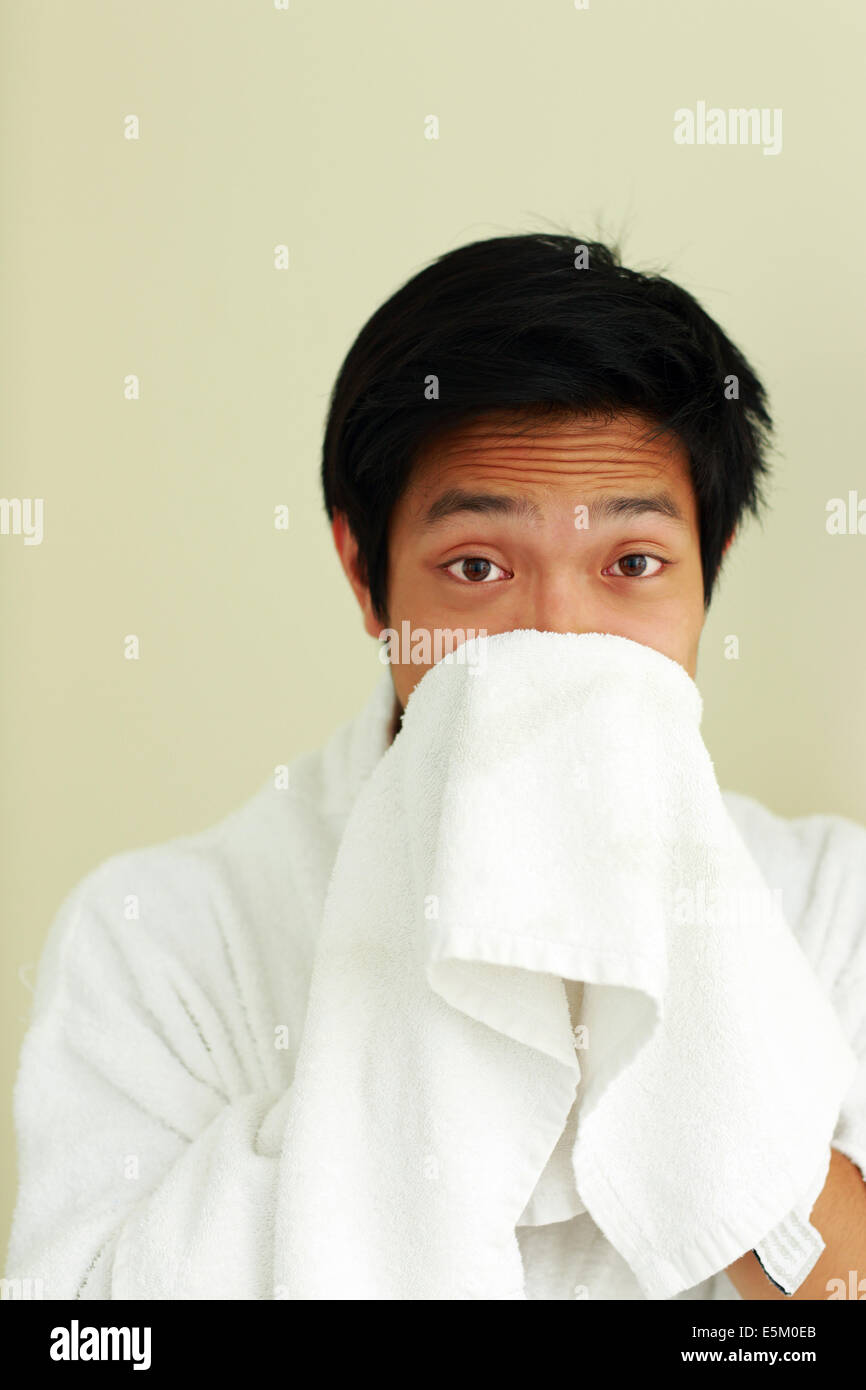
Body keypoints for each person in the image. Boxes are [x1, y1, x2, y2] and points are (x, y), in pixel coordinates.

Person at [5, 232, 866, 1300]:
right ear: (366, 576)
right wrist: (420, 1015)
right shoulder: (159, 933)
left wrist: (693, 1002)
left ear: (708, 578)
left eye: (631, 564)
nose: (554, 639)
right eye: (476, 566)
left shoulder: (834, 906)